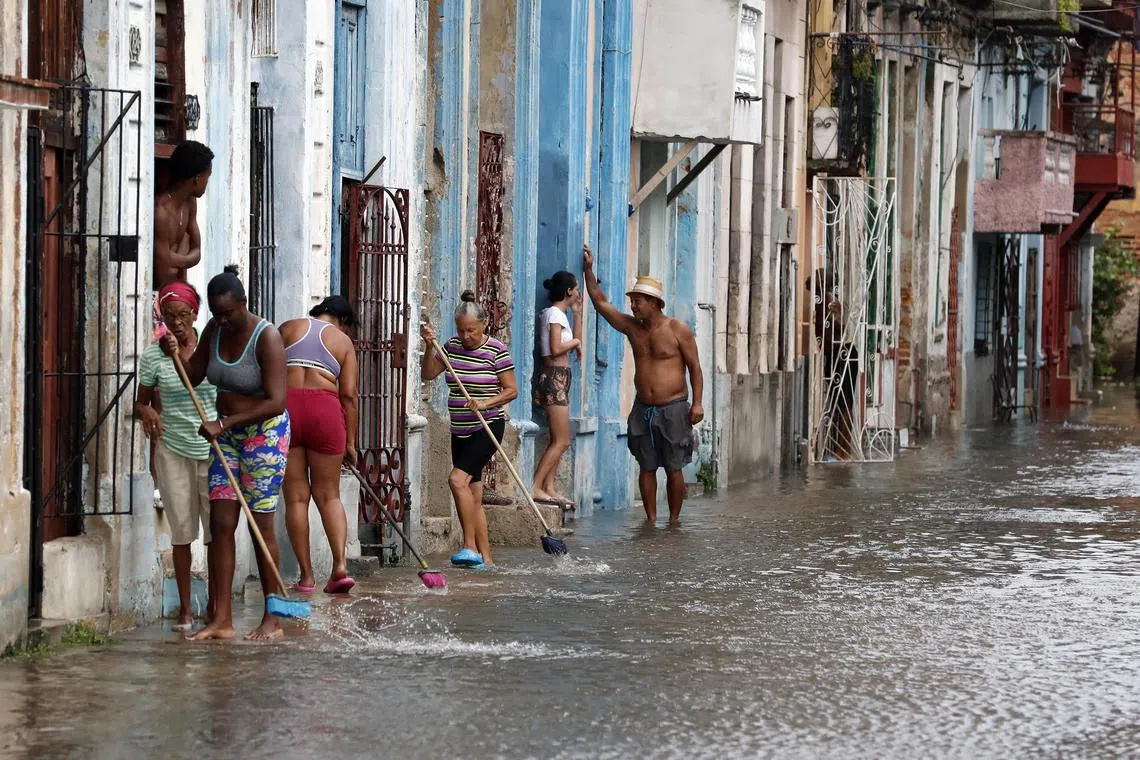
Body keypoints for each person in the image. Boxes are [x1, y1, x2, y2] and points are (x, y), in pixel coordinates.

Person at [167, 265, 291, 642]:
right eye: (216, 314)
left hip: (263, 436)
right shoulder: (214, 332)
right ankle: (222, 619)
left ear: (243, 303)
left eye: (228, 313)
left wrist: (226, 424)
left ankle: (273, 618)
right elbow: (195, 372)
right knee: (221, 523)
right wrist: (174, 350)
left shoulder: (265, 337)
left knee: (260, 526)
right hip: (228, 437)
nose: (222, 320)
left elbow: (276, 401)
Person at [583, 245, 704, 523]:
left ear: (655, 303)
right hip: (643, 409)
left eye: (638, 300)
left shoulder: (677, 329)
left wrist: (697, 403)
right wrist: (589, 270)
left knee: (674, 468)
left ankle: (673, 520)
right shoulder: (632, 327)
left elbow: (695, 368)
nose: (633, 304)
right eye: (632, 300)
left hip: (673, 408)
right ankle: (650, 521)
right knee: (646, 466)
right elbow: (601, 303)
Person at [135, 281, 218, 631]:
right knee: (182, 532)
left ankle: (217, 605)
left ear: (195, 314)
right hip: (173, 449)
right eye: (169, 317)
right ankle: (185, 610)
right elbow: (140, 400)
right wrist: (146, 412)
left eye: (183, 315)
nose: (177, 323)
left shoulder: (212, 348)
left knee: (218, 532)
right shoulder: (154, 355)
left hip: (213, 449)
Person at [420, 291, 518, 568]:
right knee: (472, 494)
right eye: (461, 330)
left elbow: (512, 391)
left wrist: (485, 402)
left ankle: (469, 547)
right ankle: (486, 560)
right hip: (459, 428)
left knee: (456, 480)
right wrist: (430, 347)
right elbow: (427, 374)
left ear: (484, 324)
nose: (465, 336)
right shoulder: (450, 346)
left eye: (471, 330)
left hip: (486, 427)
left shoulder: (496, 351)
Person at [279, 296, 359, 595]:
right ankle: (339, 567)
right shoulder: (343, 342)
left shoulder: (287, 328)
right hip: (325, 411)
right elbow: (349, 396)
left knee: (296, 498)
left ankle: (306, 576)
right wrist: (350, 442)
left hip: (287, 410)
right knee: (329, 495)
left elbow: (267, 374)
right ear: (344, 321)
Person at [532, 271, 583, 509]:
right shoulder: (554, 314)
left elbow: (573, 343)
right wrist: (575, 343)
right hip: (554, 377)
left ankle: (549, 487)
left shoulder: (559, 314)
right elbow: (555, 348)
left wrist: (578, 314)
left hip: (560, 377)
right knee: (562, 441)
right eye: (576, 288)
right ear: (568, 291)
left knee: (557, 438)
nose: (578, 292)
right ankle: (536, 486)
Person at [153, 140, 213, 340]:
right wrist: (182, 256)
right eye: (207, 177)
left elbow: (197, 254)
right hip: (161, 301)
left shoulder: (190, 203)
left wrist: (173, 257)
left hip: (181, 299)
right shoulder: (161, 211)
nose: (206, 182)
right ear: (197, 178)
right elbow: (164, 267)